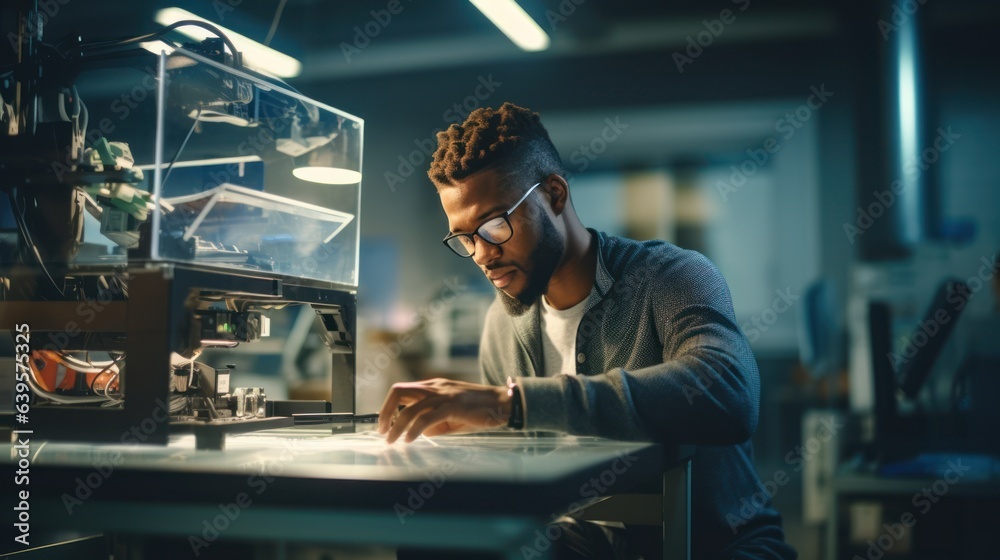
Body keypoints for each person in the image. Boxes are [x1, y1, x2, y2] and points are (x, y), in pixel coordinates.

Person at [378, 102, 796, 559]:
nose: (481, 254)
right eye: (465, 237)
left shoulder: (672, 275)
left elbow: (731, 396)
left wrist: (512, 404)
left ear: (554, 195)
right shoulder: (503, 323)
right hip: (587, 543)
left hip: (716, 544)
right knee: (437, 542)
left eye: (495, 225)